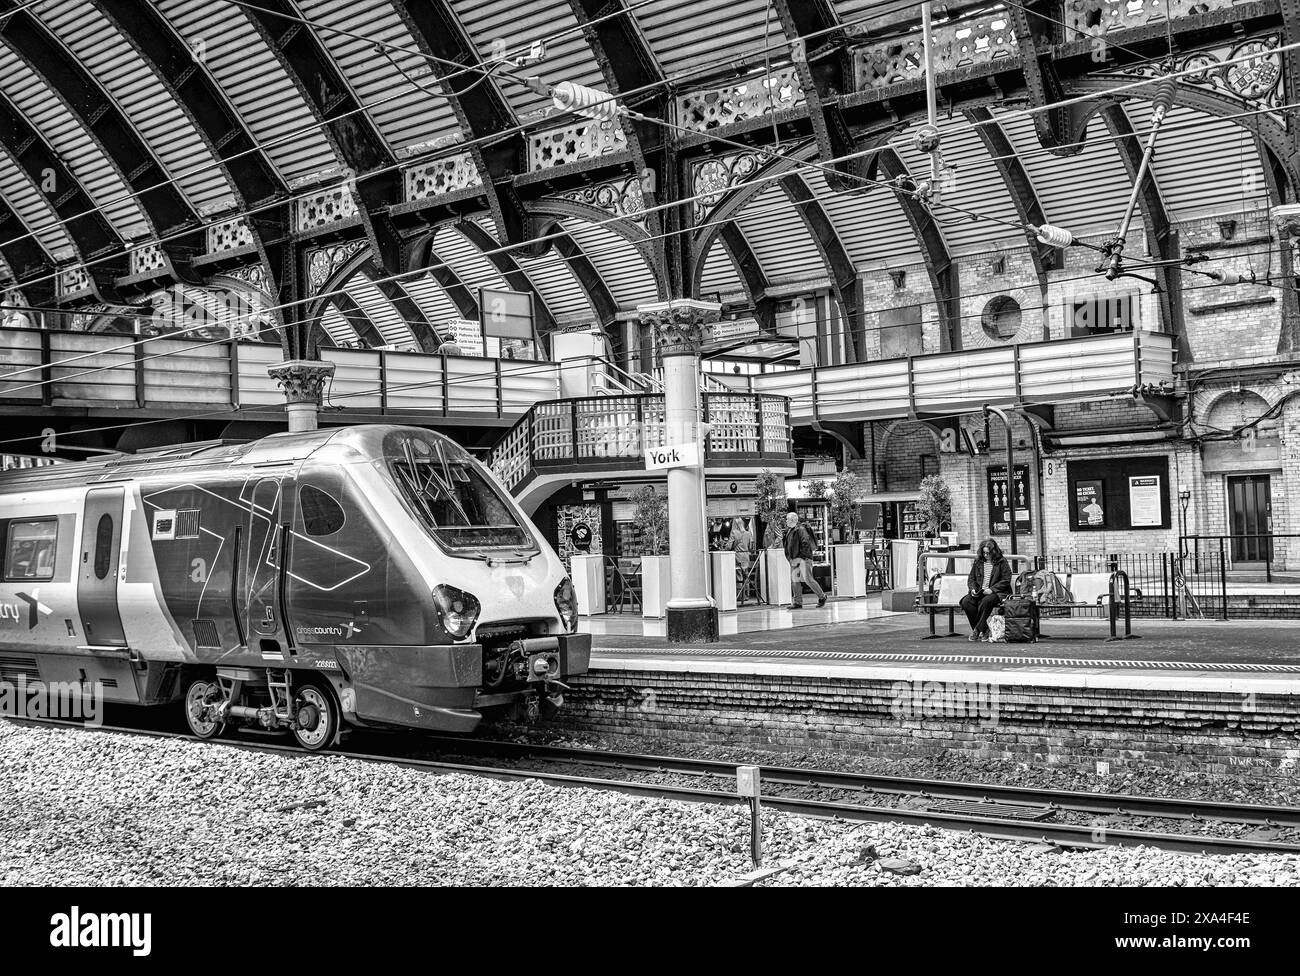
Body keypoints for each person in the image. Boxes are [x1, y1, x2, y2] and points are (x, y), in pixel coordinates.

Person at [960, 538, 1013, 641]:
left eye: (988, 553)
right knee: (966, 602)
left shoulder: (1001, 562)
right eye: (984, 553)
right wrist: (972, 589)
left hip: (997, 593)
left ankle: (976, 630)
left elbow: (1006, 579)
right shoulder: (978, 562)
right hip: (980, 591)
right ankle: (984, 630)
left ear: (993, 552)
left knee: (986, 601)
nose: (985, 555)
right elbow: (971, 578)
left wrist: (992, 589)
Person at [783, 511, 826, 610]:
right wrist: (789, 558)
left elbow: (805, 543)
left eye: (787, 519)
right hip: (794, 560)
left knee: (808, 580)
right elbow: (787, 545)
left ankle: (822, 597)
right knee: (795, 581)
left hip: (803, 559)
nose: (786, 521)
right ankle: (797, 602)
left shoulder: (801, 529)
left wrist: (801, 557)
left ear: (793, 520)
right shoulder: (790, 530)